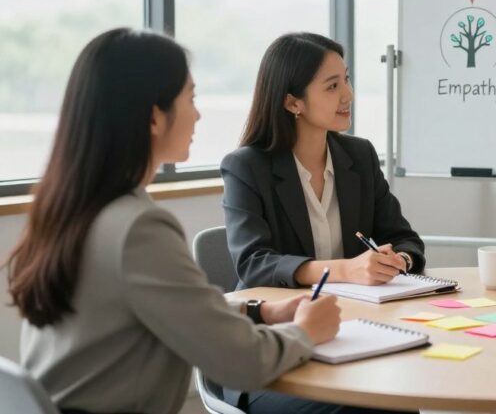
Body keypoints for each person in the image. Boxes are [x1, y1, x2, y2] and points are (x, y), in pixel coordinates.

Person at [7, 28, 342, 414]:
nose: (198, 114)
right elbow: (243, 362)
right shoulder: (138, 228)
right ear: (154, 117)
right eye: (191, 98)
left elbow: (175, 307)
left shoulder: (69, 209)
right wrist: (305, 331)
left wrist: (259, 312)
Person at [222, 32, 424, 290]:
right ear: (292, 103)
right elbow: (253, 262)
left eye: (346, 80)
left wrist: (399, 260)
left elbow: (404, 238)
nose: (348, 94)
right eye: (332, 86)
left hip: (354, 305)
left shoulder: (360, 155)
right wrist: (345, 270)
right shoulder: (246, 167)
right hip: (280, 308)